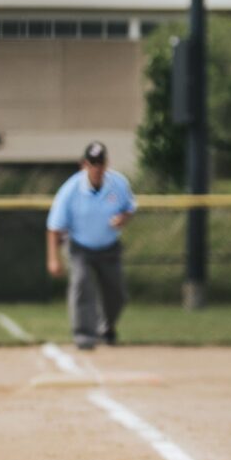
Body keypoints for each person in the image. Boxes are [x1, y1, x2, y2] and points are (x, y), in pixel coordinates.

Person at [46, 141, 136, 350]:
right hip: (80, 248)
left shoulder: (119, 184)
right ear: (83, 165)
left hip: (109, 247)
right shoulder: (70, 190)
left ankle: (107, 327)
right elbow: (54, 227)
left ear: (106, 164)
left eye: (100, 163)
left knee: (117, 294)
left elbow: (130, 208)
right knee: (82, 284)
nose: (96, 168)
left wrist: (123, 218)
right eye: (92, 163)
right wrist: (53, 259)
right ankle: (84, 335)